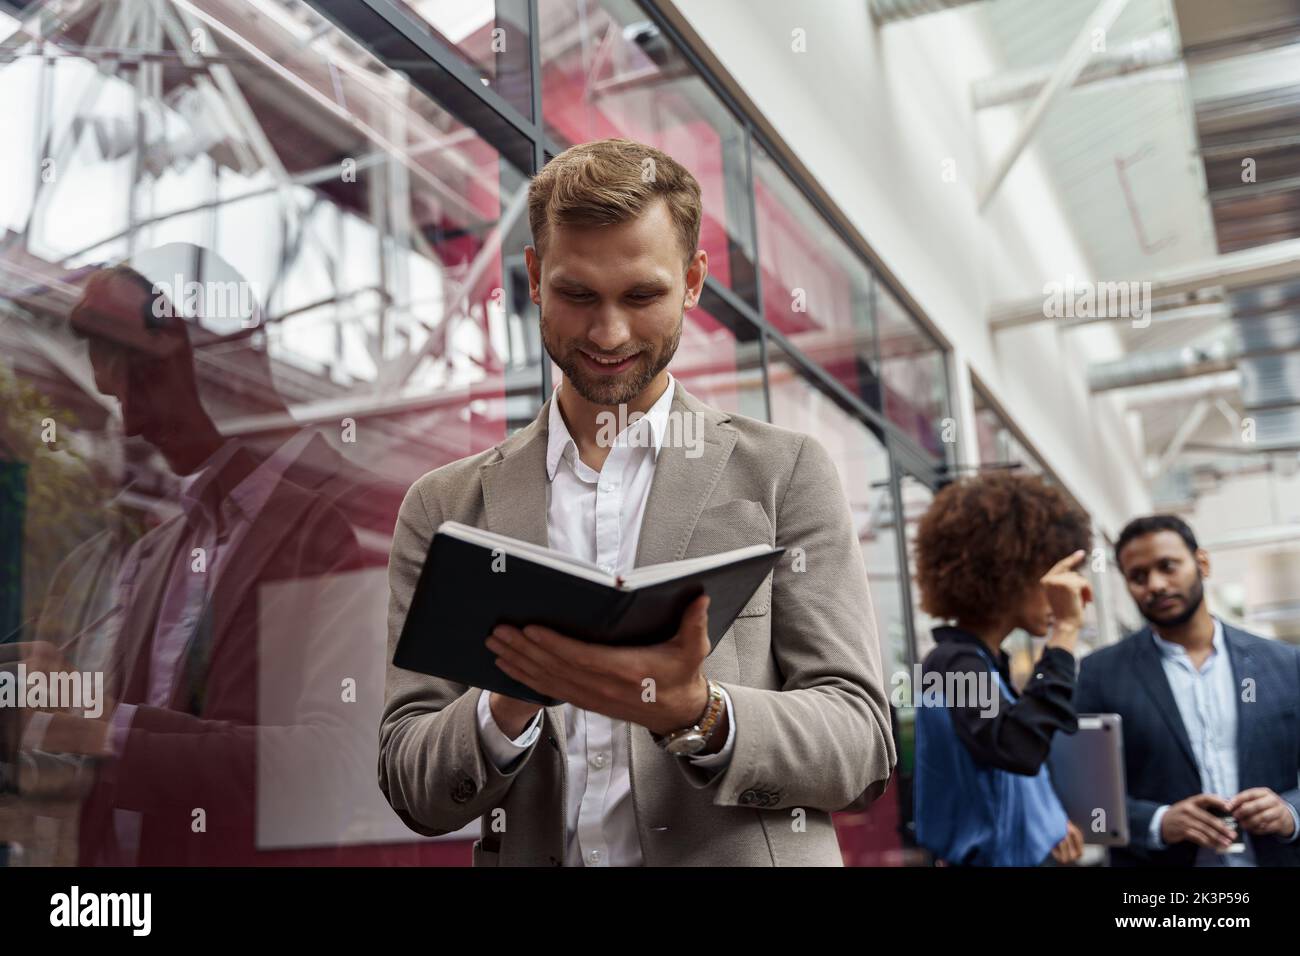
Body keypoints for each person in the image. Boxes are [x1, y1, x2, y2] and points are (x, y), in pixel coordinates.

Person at [380, 138, 897, 866]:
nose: (608, 333)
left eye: (642, 295)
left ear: (692, 282)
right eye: (577, 294)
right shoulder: (444, 508)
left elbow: (862, 746)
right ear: (533, 277)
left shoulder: (785, 475)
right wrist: (511, 700)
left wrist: (698, 713)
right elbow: (411, 782)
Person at [1075, 515, 1300, 866]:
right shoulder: (1101, 673)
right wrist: (1159, 821)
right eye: (1138, 577)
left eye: (1168, 566)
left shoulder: (1284, 664)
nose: (1156, 585)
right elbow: (1087, 797)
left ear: (1202, 563)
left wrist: (1290, 812)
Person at [911, 471, 1091, 866]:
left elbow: (1005, 772)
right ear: (1011, 571)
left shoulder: (982, 663)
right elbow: (1016, 746)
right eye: (1052, 574)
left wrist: (1050, 823)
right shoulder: (952, 665)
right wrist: (1065, 629)